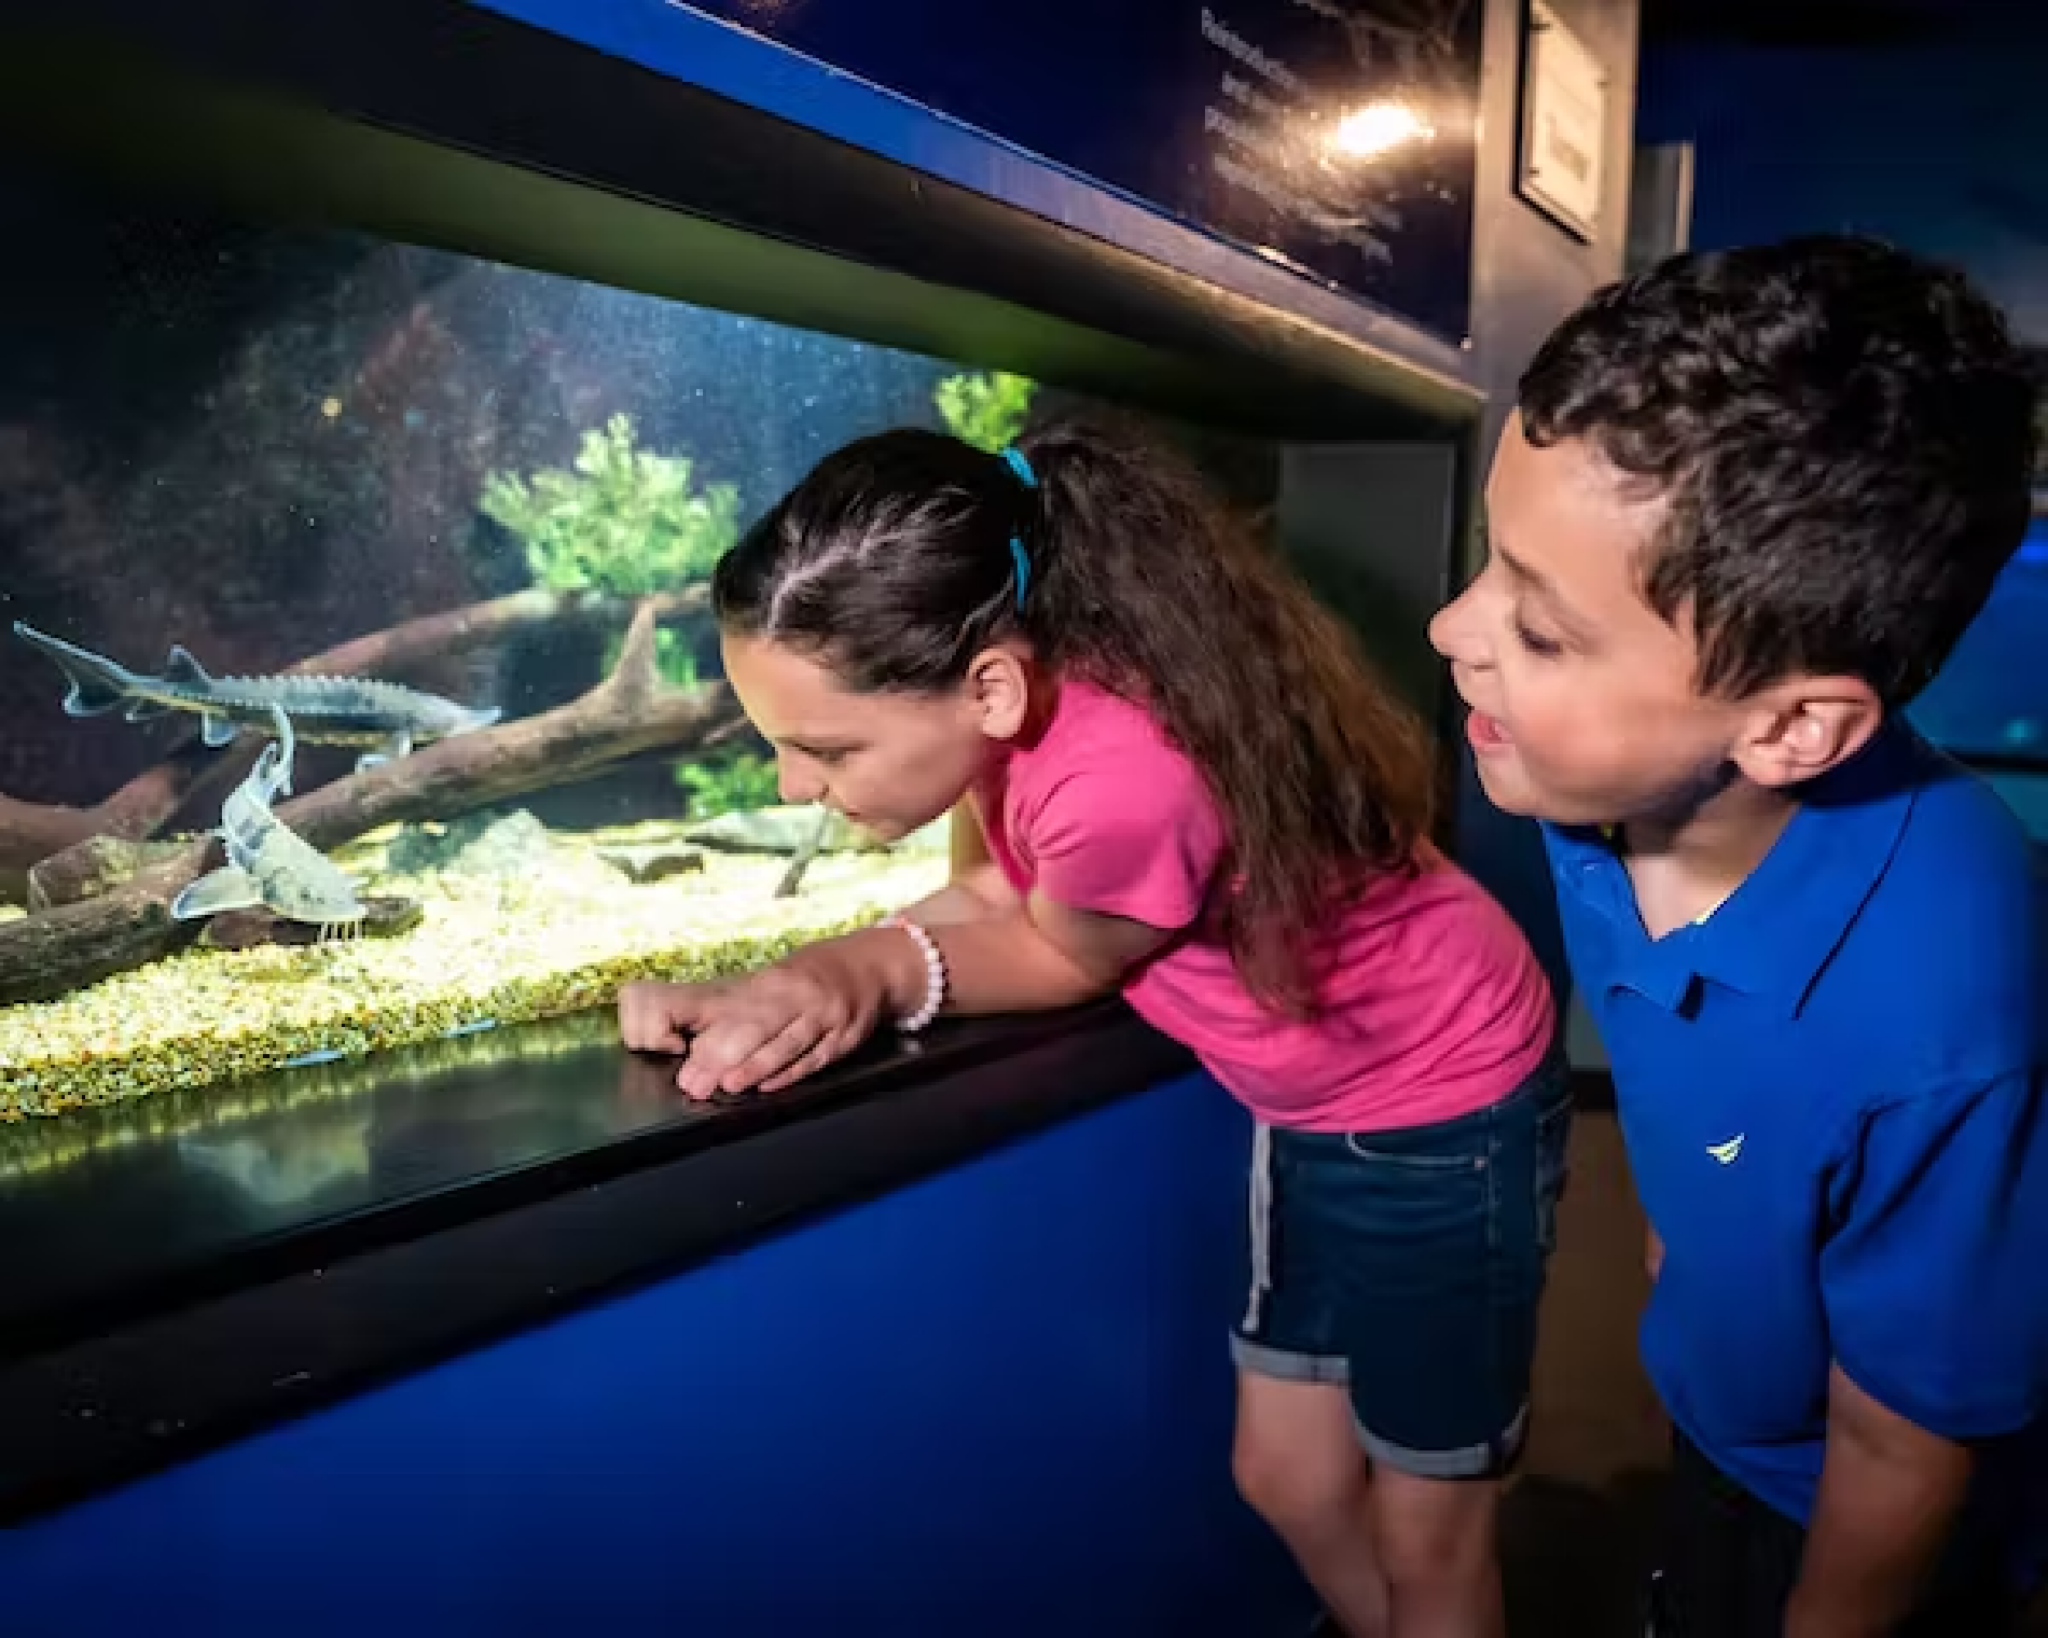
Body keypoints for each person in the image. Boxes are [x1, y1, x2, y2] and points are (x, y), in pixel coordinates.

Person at [619, 420, 1564, 1637]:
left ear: (987, 687)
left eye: (822, 748)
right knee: (1286, 1478)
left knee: (1428, 1531)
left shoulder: (1125, 774)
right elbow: (995, 893)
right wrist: (796, 978)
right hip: (1313, 1106)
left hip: (1442, 1103)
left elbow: (1061, 950)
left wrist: (867, 975)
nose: (792, 786)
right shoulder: (1019, 698)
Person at [1429, 234, 2048, 1637]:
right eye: (1486, 565)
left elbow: (1904, 1447)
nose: (1450, 628)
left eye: (1539, 629)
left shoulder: (1941, 1033)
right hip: (1716, 1403)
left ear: (1790, 727)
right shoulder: (1591, 797)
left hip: (1855, 1504)